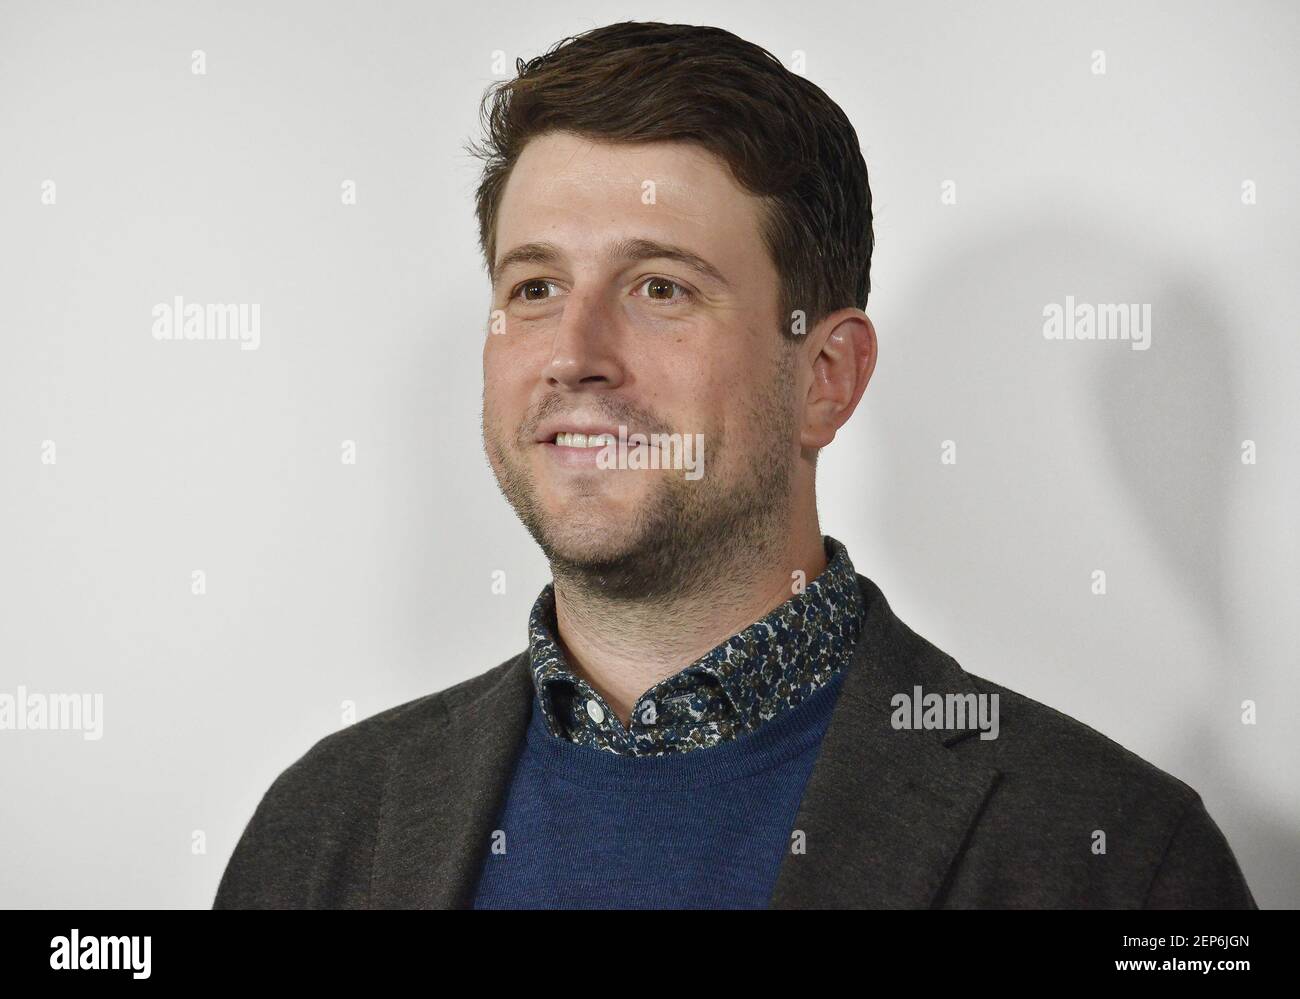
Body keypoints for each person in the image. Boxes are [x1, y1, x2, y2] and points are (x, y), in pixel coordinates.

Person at [213, 20, 1256, 909]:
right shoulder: (325, 830)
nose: (575, 353)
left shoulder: (1114, 856)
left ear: (826, 377)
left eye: (659, 288)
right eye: (533, 287)